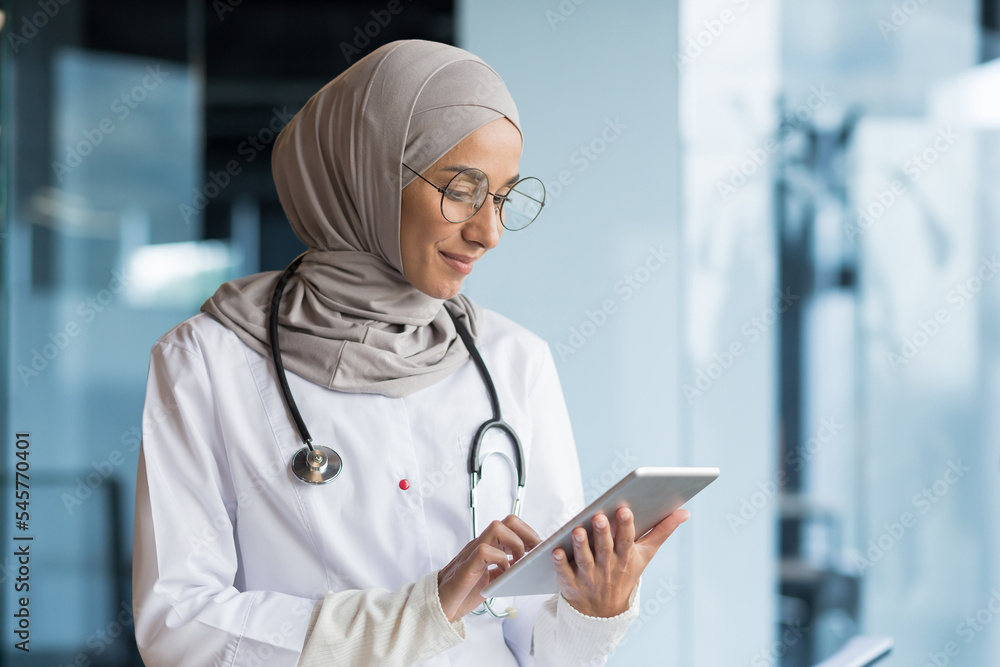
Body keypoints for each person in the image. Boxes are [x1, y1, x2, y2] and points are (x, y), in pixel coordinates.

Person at [131, 39, 690, 666]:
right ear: (367, 174)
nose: (488, 232)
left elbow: (538, 643)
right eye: (461, 191)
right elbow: (178, 628)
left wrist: (594, 609)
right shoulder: (208, 363)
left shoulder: (513, 360)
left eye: (503, 198)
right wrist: (418, 614)